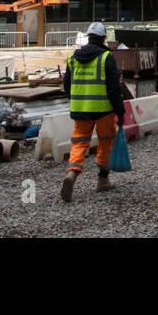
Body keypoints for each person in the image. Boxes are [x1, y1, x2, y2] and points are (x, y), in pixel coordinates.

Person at [60, 21, 126, 202]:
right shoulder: (106, 57)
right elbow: (114, 89)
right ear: (103, 37)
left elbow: (67, 85)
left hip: (80, 110)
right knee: (106, 143)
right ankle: (102, 180)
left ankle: (72, 172)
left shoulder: (73, 57)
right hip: (103, 110)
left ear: (88, 37)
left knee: (79, 143)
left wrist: (76, 101)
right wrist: (120, 112)